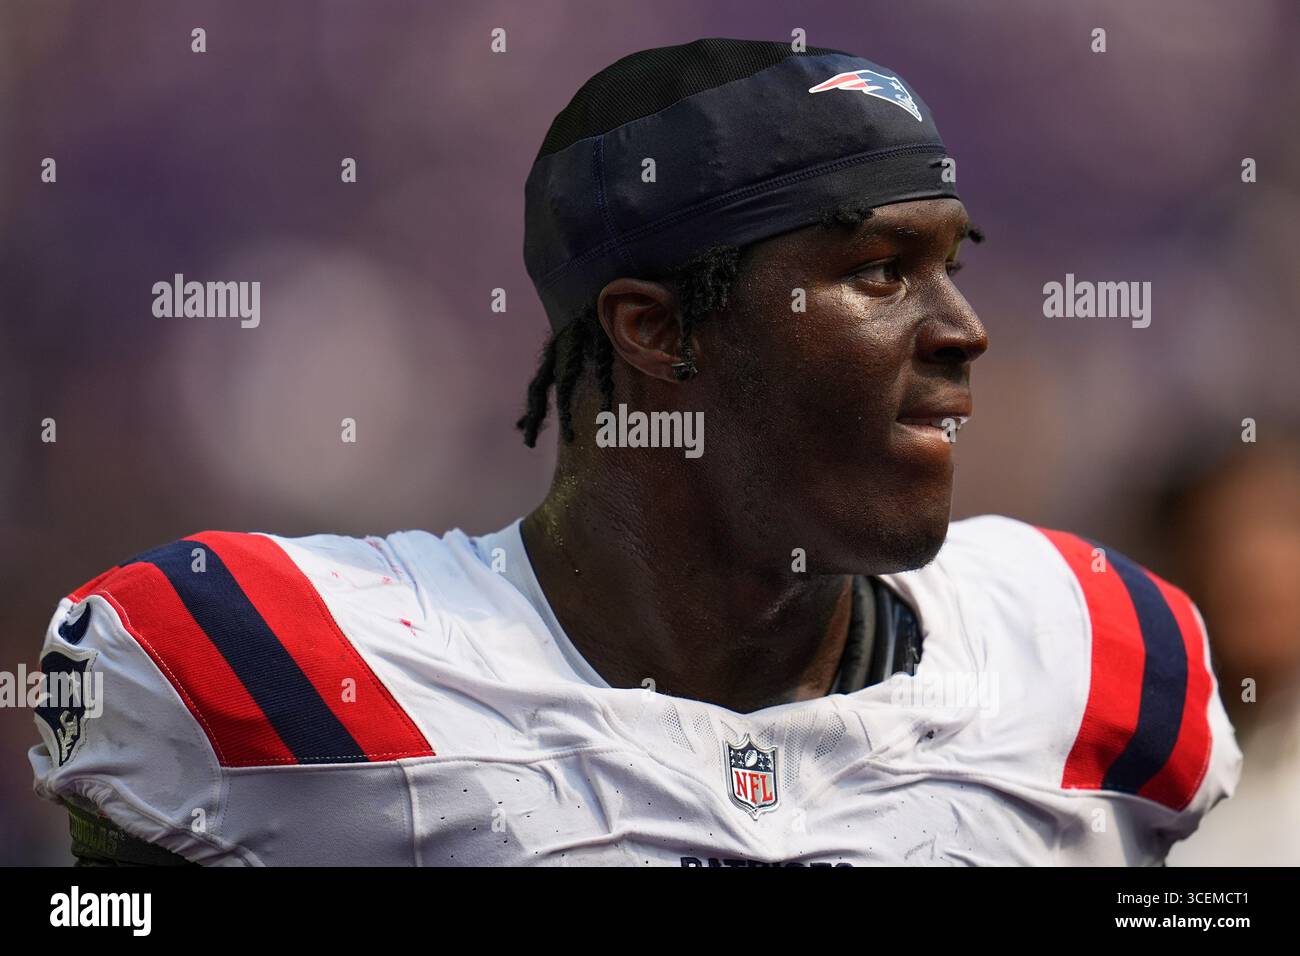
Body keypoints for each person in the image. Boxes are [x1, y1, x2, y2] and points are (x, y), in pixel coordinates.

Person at [30, 38, 1239, 866]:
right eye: (880, 272)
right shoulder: (268, 668)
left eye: (949, 266)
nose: (964, 331)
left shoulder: (1097, 663)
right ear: (655, 330)